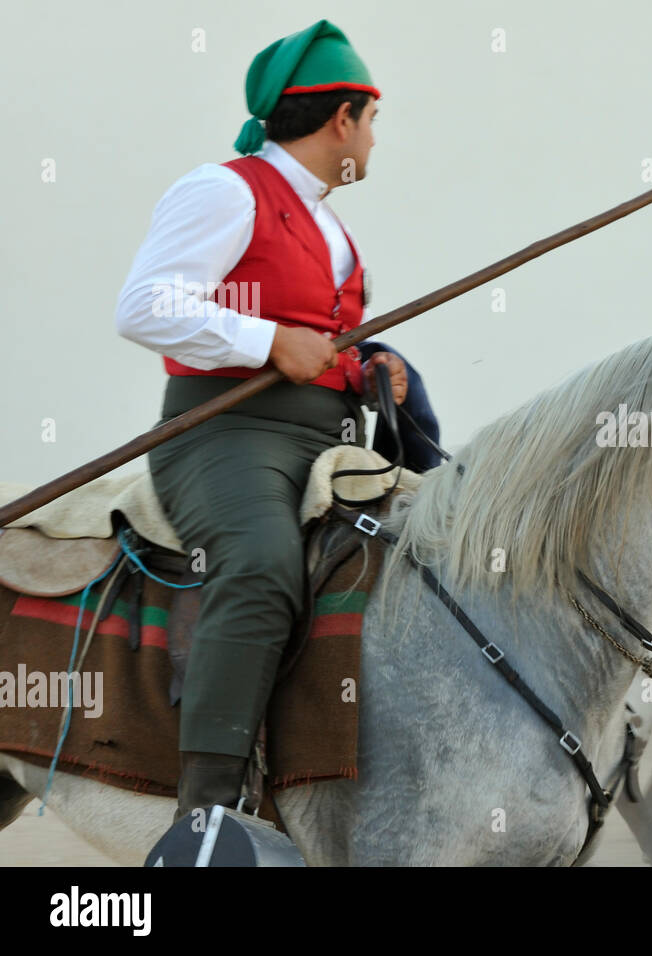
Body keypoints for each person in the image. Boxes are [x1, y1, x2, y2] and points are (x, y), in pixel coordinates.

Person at [115, 19, 422, 823]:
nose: (375, 141)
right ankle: (207, 810)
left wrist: (367, 369)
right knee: (259, 565)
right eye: (373, 122)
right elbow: (144, 307)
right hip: (223, 435)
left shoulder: (328, 222)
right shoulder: (225, 189)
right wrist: (265, 338)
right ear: (340, 119)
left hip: (328, 437)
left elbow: (315, 341)